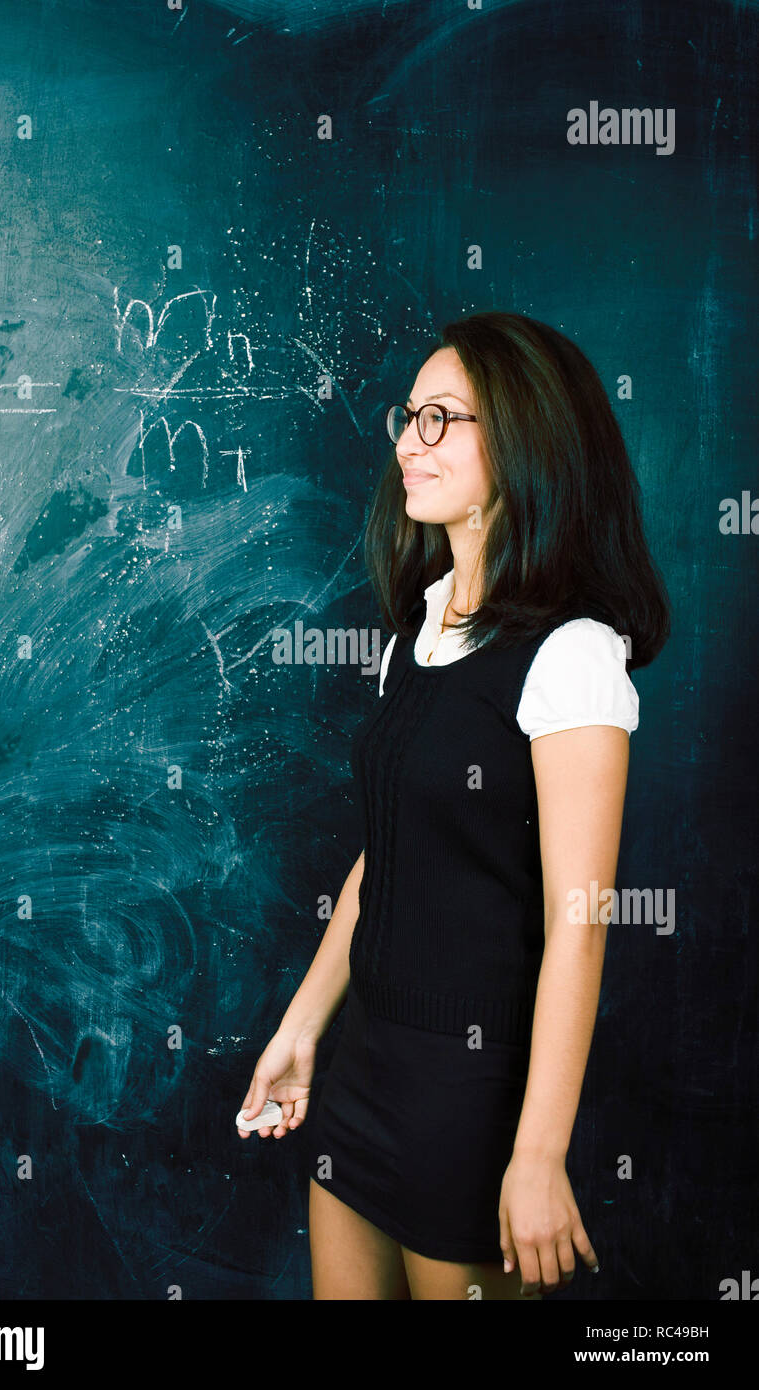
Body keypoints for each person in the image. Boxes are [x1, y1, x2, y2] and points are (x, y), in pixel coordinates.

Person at [237, 311, 671, 1300]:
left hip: (469, 1109)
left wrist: (536, 1154)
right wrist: (302, 1030)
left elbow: (580, 926)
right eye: (408, 416)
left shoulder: (570, 657)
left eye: (442, 419)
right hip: (361, 1078)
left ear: (523, 444)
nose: (405, 442)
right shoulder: (417, 628)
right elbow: (384, 859)